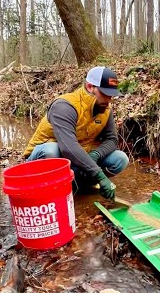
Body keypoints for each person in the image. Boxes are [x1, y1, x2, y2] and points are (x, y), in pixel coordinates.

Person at [21, 66, 130, 200]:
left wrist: (96, 155)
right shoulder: (64, 106)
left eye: (111, 95)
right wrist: (99, 175)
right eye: (105, 93)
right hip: (44, 160)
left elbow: (112, 140)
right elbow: (68, 147)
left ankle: (78, 185)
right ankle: (50, 190)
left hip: (76, 160)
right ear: (90, 87)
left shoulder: (105, 108)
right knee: (51, 150)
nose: (109, 100)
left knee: (120, 159)